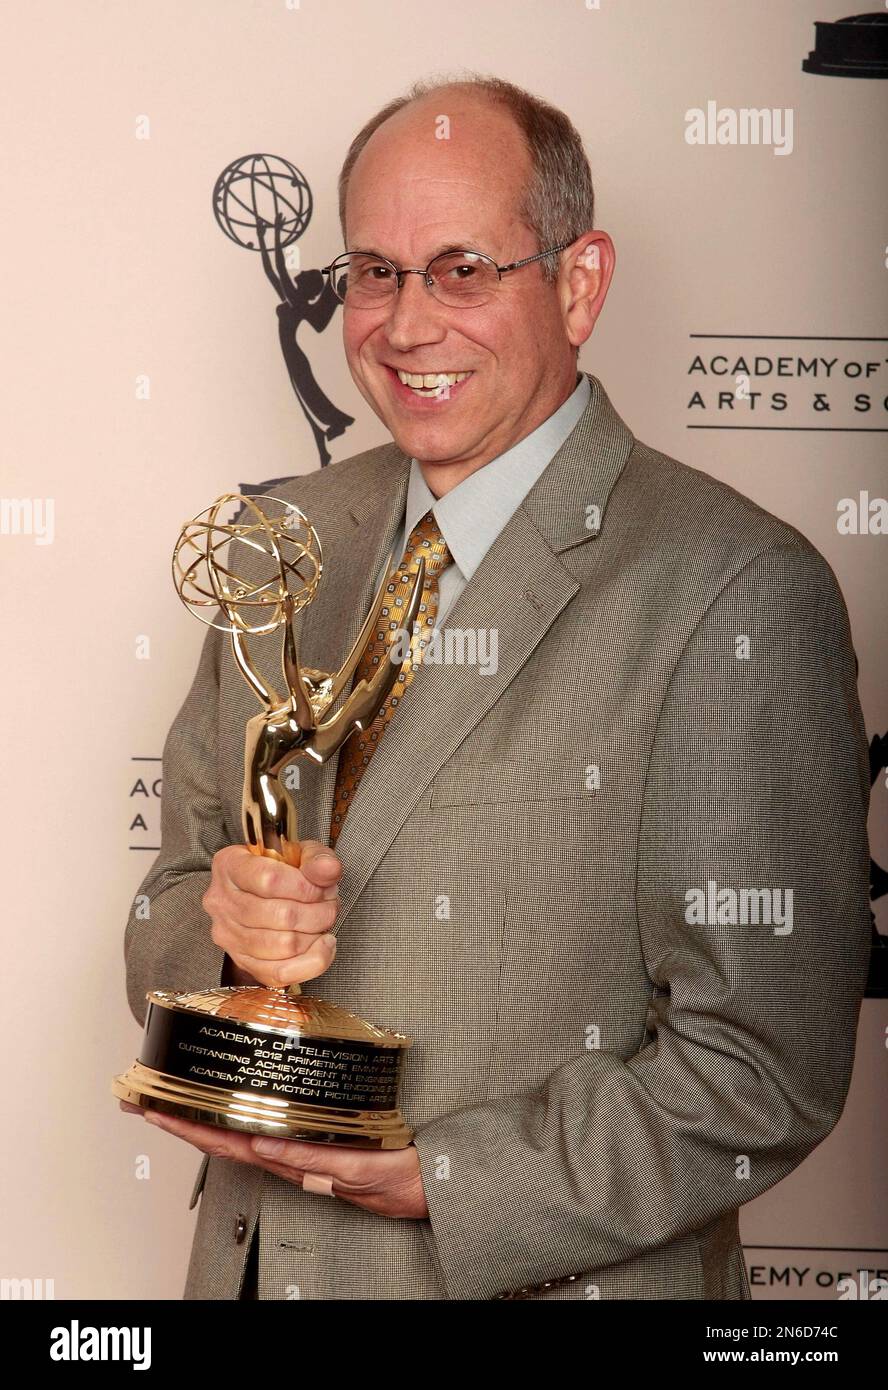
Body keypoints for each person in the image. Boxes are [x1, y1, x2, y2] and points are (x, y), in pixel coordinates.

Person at [121, 74, 872, 1301]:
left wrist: (445, 1175)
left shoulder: (731, 586)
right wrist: (224, 941)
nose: (408, 325)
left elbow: (761, 1067)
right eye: (375, 271)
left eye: (463, 270)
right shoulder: (280, 539)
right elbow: (173, 894)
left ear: (580, 283)